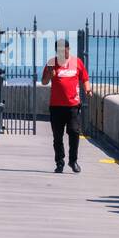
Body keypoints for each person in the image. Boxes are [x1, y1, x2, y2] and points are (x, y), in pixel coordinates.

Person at [41, 38, 91, 173]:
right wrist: (50, 76)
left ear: (69, 49)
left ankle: (73, 161)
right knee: (57, 136)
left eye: (65, 50)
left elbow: (85, 78)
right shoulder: (52, 63)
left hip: (73, 106)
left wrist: (87, 89)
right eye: (60, 51)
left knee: (74, 132)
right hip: (56, 106)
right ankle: (59, 162)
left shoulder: (77, 62)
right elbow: (44, 82)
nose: (63, 53)